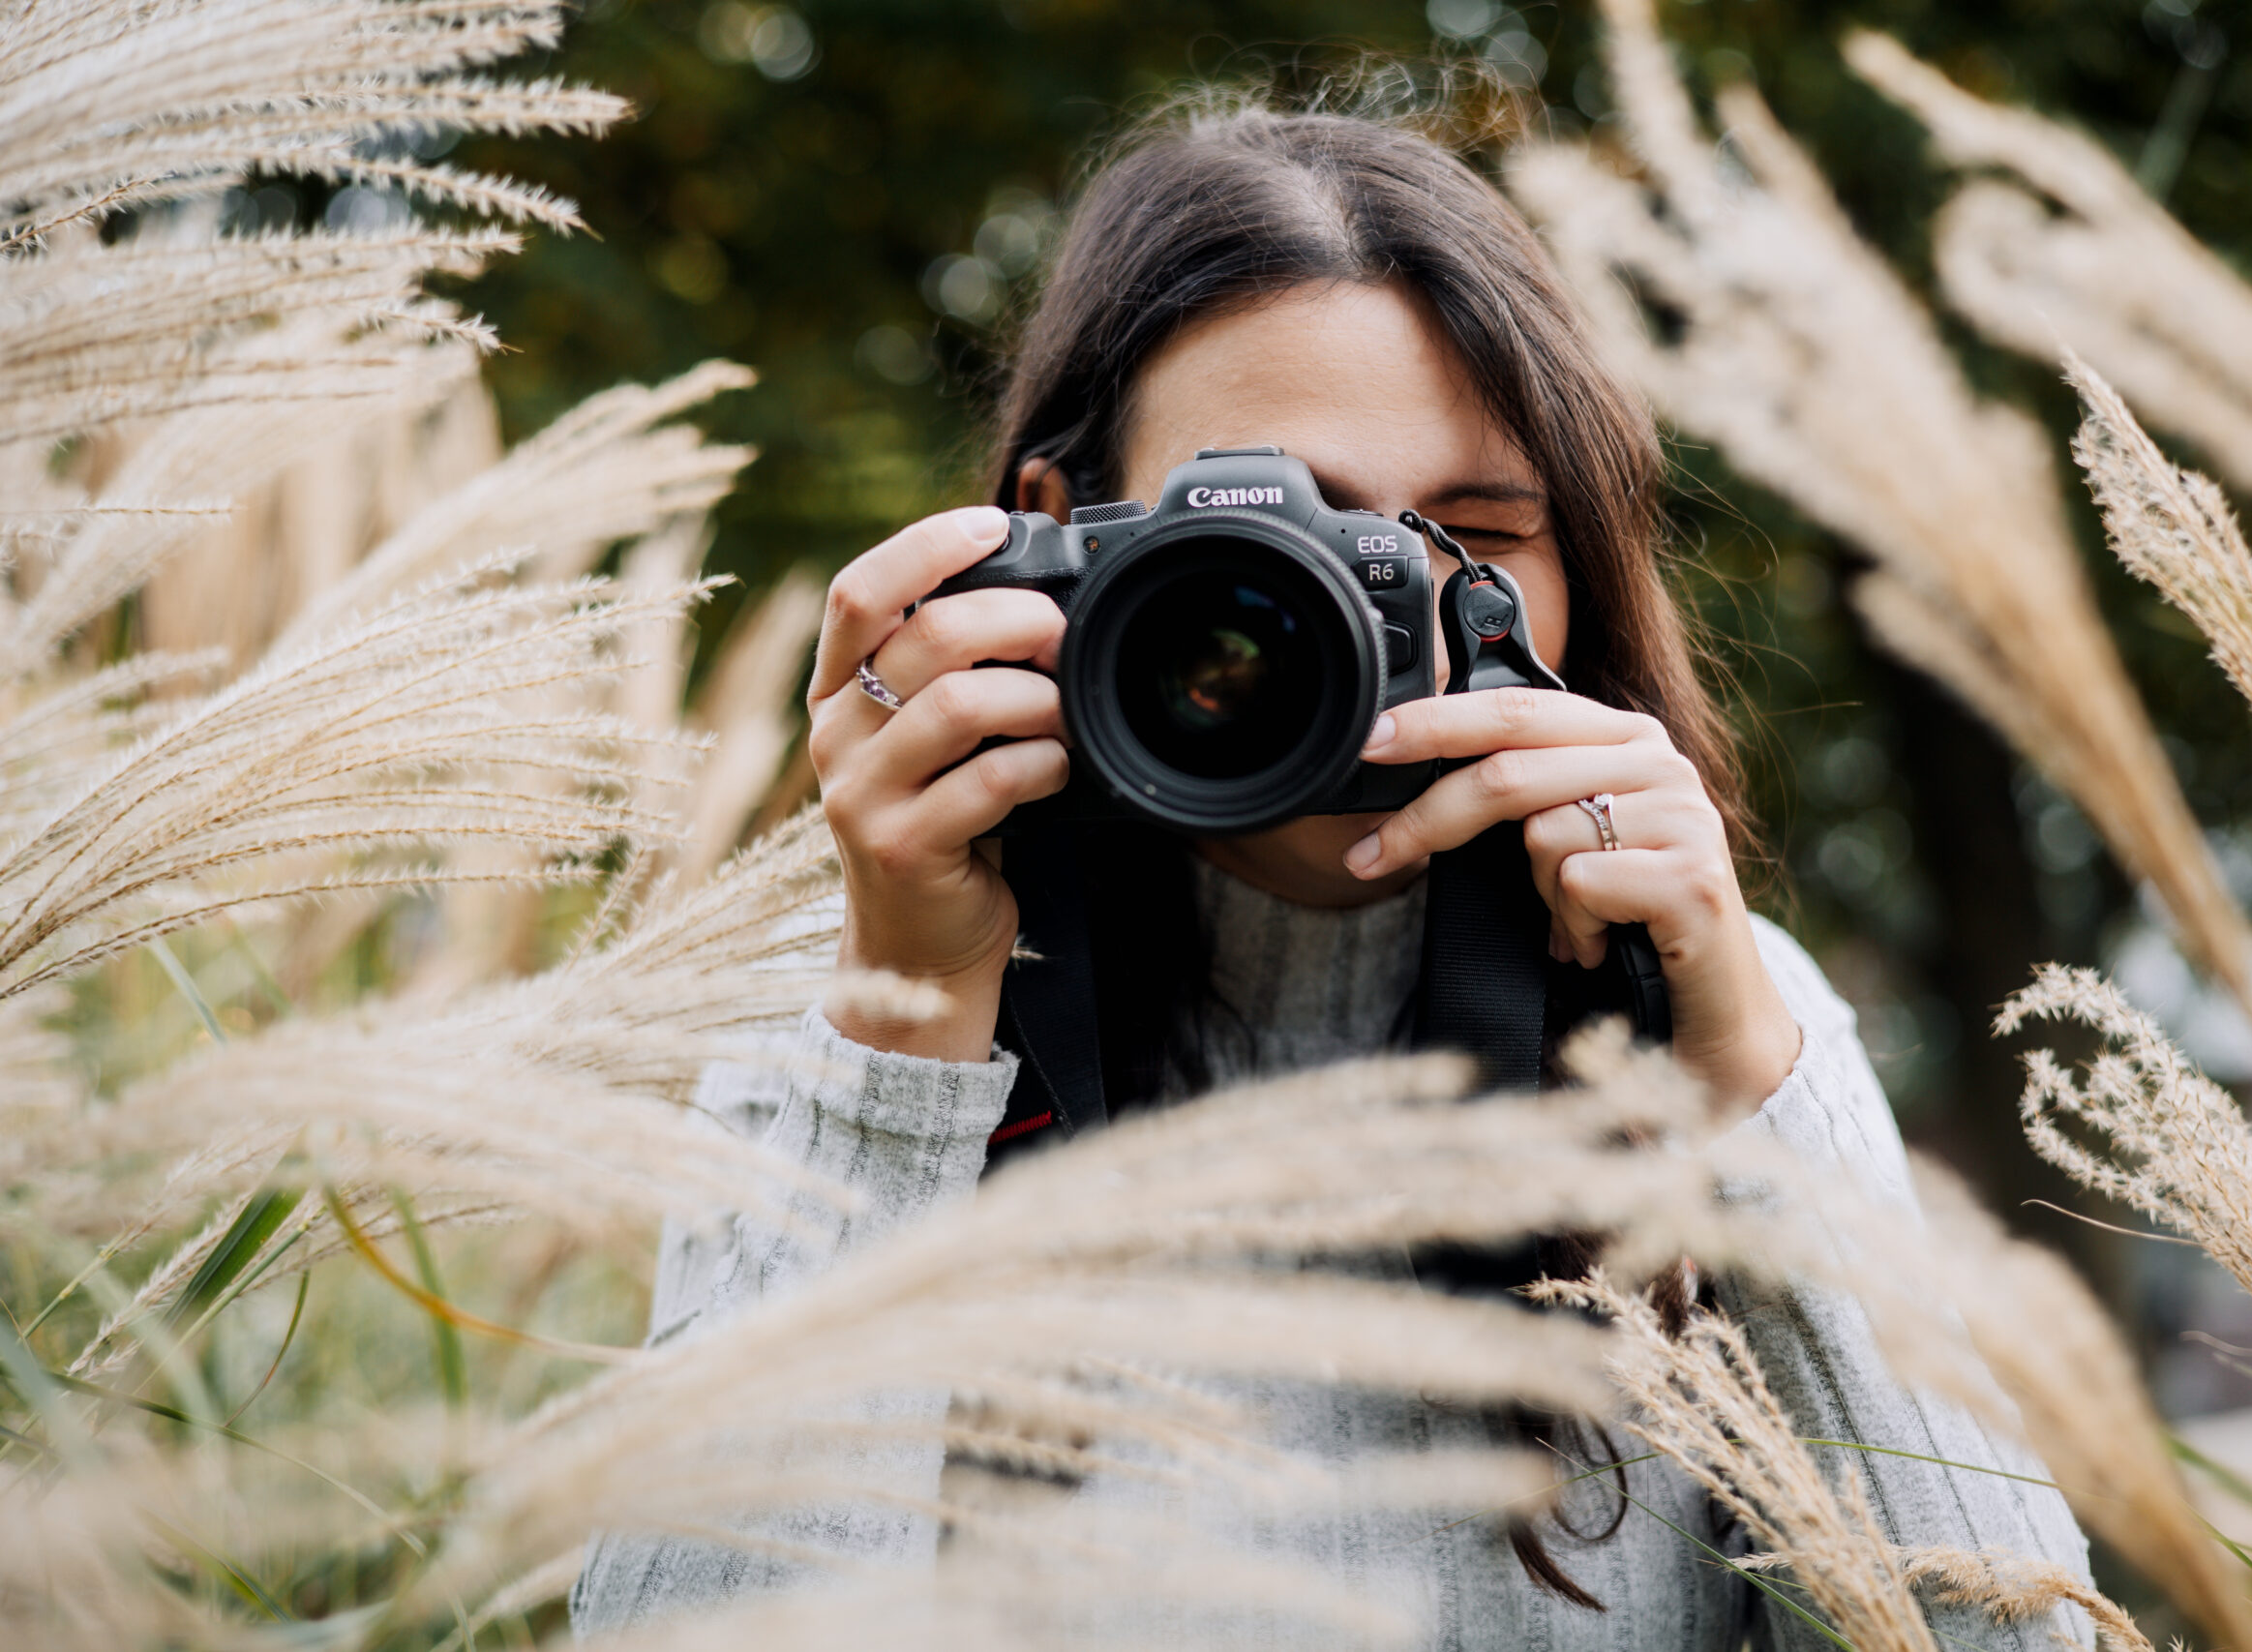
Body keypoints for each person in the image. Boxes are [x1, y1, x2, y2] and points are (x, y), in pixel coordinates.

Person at [571, 100, 2091, 1647]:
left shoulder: (1727, 1017)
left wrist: (1751, 1104)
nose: (1369, 624)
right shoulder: (845, 1031)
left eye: (1479, 533)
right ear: (1052, 541)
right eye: (1275, 536)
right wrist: (906, 1033)